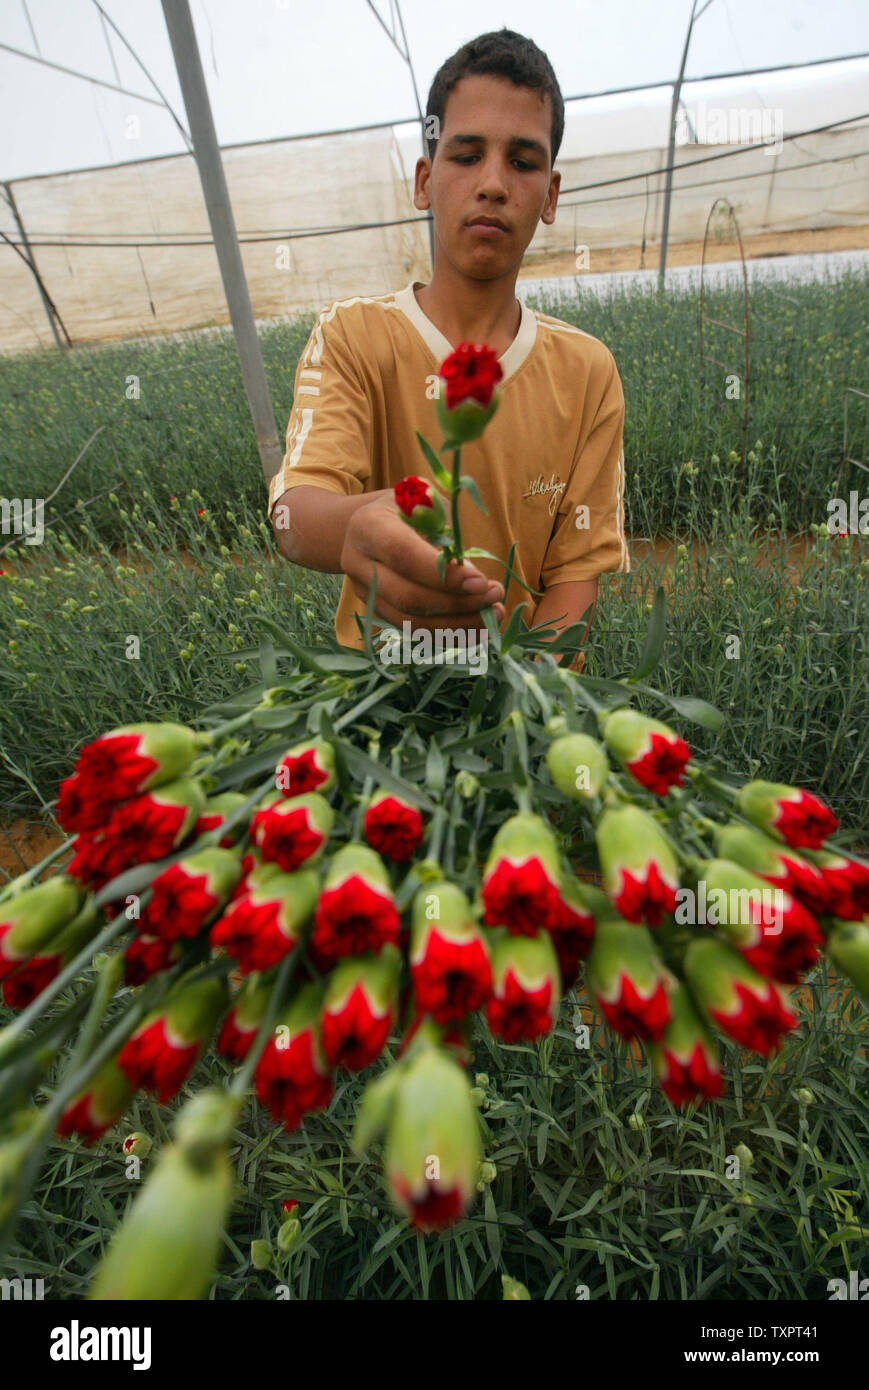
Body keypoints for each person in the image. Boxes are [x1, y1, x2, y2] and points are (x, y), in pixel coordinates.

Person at [269, 28, 629, 668]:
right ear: (424, 181)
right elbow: (296, 514)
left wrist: (526, 698)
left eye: (522, 161)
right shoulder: (354, 336)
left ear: (549, 196)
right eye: (466, 155)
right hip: (378, 695)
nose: (493, 183)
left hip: (525, 698)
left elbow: (578, 568)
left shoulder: (587, 371)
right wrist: (356, 529)